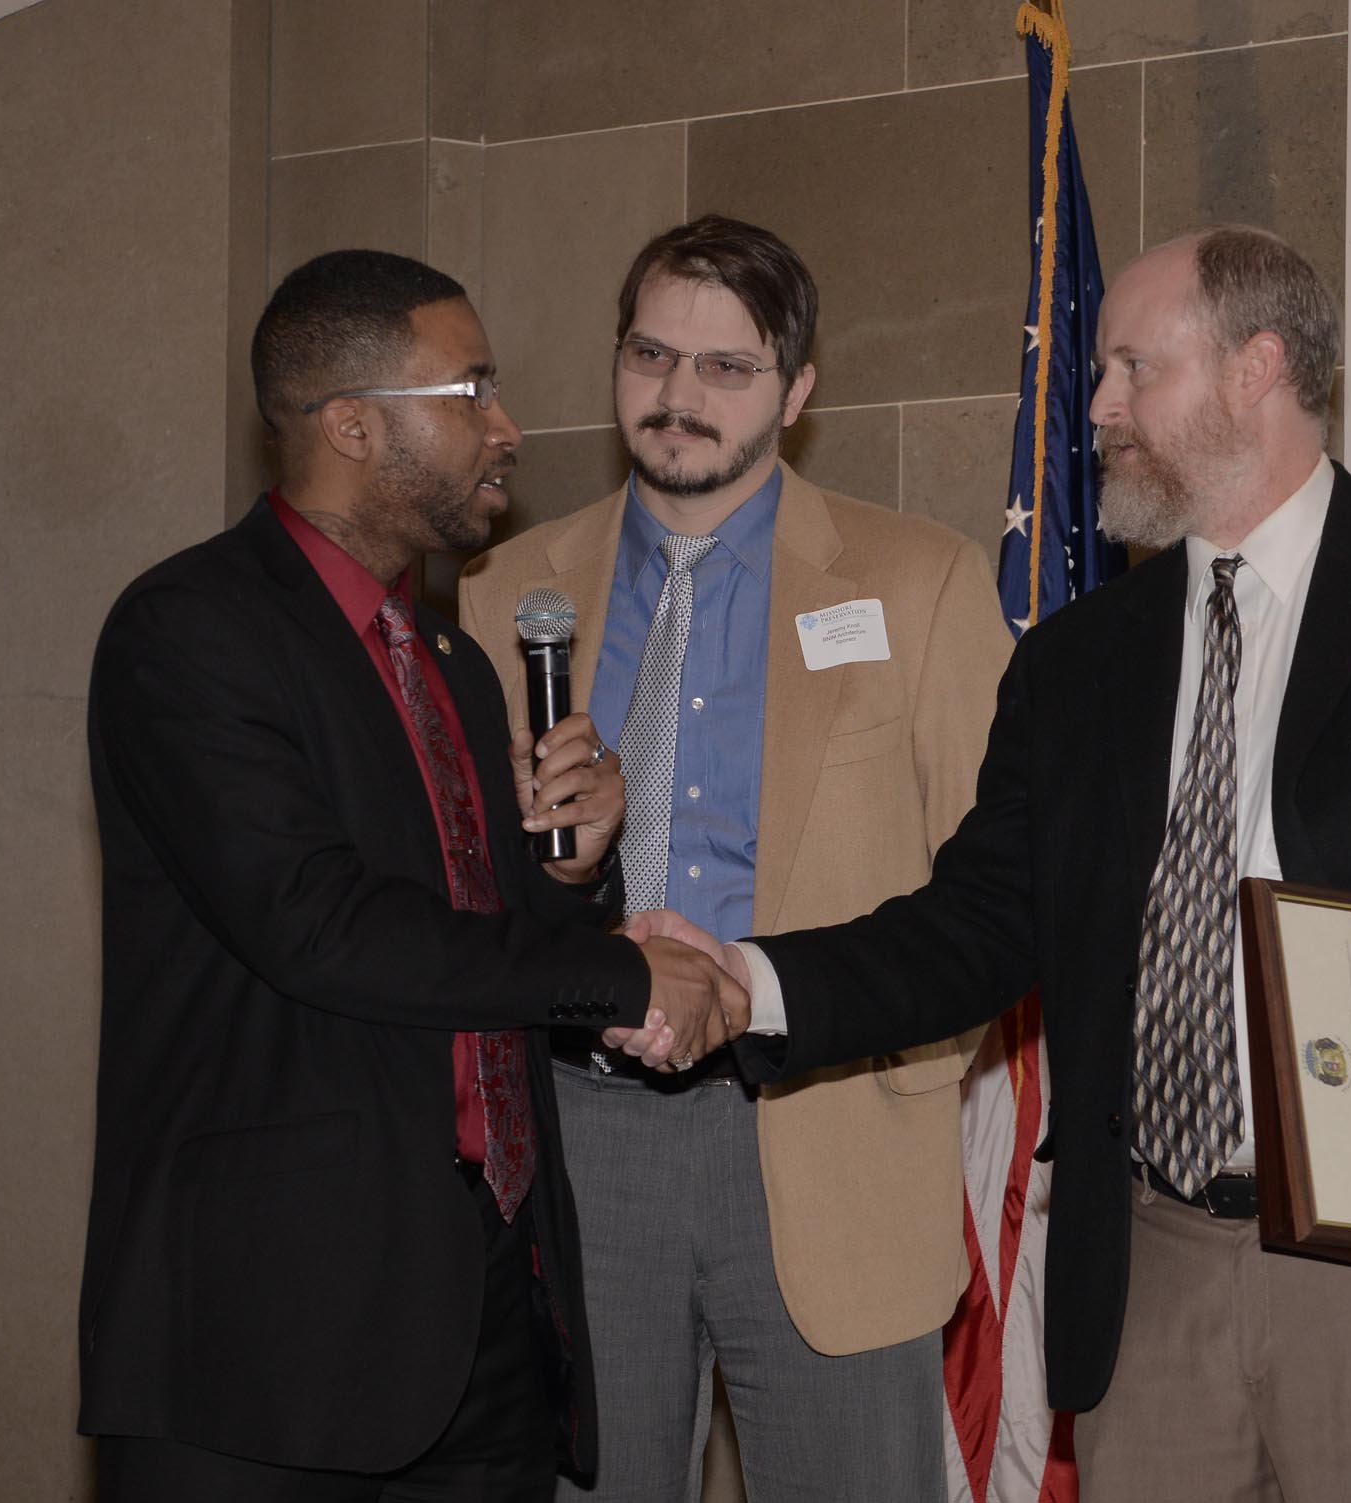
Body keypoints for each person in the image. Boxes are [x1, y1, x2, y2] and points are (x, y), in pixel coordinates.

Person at [630, 224, 1351, 1501]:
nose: (1098, 408)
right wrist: (748, 981)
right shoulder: (1080, 661)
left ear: (1257, 368)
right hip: (1151, 1269)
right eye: (1100, 374)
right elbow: (973, 925)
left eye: (1134, 368)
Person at [78, 248, 741, 1502]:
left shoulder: (451, 659)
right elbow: (320, 927)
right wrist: (621, 976)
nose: (508, 427)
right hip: (268, 1338)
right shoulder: (190, 631)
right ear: (351, 425)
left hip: (486, 1319)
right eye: (471, 391)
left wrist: (570, 877)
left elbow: (470, 941)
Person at [459, 215, 1010, 1502]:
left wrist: (899, 1075)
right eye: (651, 356)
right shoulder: (504, 591)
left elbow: (989, 892)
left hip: (828, 1128)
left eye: (726, 368)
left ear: (797, 391)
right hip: (585, 1135)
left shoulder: (919, 581)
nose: (679, 396)